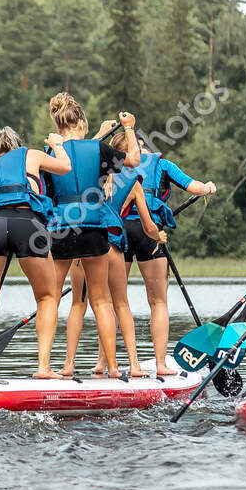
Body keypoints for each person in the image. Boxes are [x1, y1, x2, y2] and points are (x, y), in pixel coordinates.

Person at [44, 93, 140, 377]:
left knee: (51, 299)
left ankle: (50, 366)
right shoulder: (99, 149)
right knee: (100, 300)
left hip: (60, 228)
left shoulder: (50, 153)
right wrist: (129, 128)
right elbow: (134, 159)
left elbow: (46, 193)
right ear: (82, 122)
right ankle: (112, 369)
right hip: (94, 227)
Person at [0, 126, 73, 378]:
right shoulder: (31, 155)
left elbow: (2, 200)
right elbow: (65, 167)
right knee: (47, 296)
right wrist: (57, 144)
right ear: (17, 146)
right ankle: (44, 368)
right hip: (26, 222)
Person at [120, 139, 216, 374]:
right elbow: (194, 187)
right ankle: (161, 365)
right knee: (158, 302)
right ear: (147, 149)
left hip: (119, 230)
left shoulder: (118, 164)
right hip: (149, 231)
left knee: (115, 302)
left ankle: (105, 364)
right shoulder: (162, 164)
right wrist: (208, 188)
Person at [74, 153, 166, 377]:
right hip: (114, 244)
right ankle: (134, 366)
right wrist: (158, 236)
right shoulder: (133, 182)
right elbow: (148, 225)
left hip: (87, 241)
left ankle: (84, 364)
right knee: (120, 304)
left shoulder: (91, 177)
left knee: (85, 303)